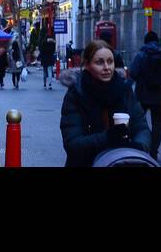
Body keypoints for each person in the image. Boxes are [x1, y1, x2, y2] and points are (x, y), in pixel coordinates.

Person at [59, 39, 152, 167]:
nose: (107, 68)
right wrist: (108, 137)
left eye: (110, 61)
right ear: (87, 65)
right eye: (99, 62)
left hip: (122, 162)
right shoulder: (76, 95)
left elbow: (141, 128)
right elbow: (73, 144)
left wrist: (138, 146)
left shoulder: (124, 90)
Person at [128, 31, 161, 160]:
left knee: (139, 122)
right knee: (158, 124)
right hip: (159, 95)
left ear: (145, 41)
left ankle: (141, 147)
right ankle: (154, 151)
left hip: (142, 94)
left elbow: (133, 72)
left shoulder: (141, 55)